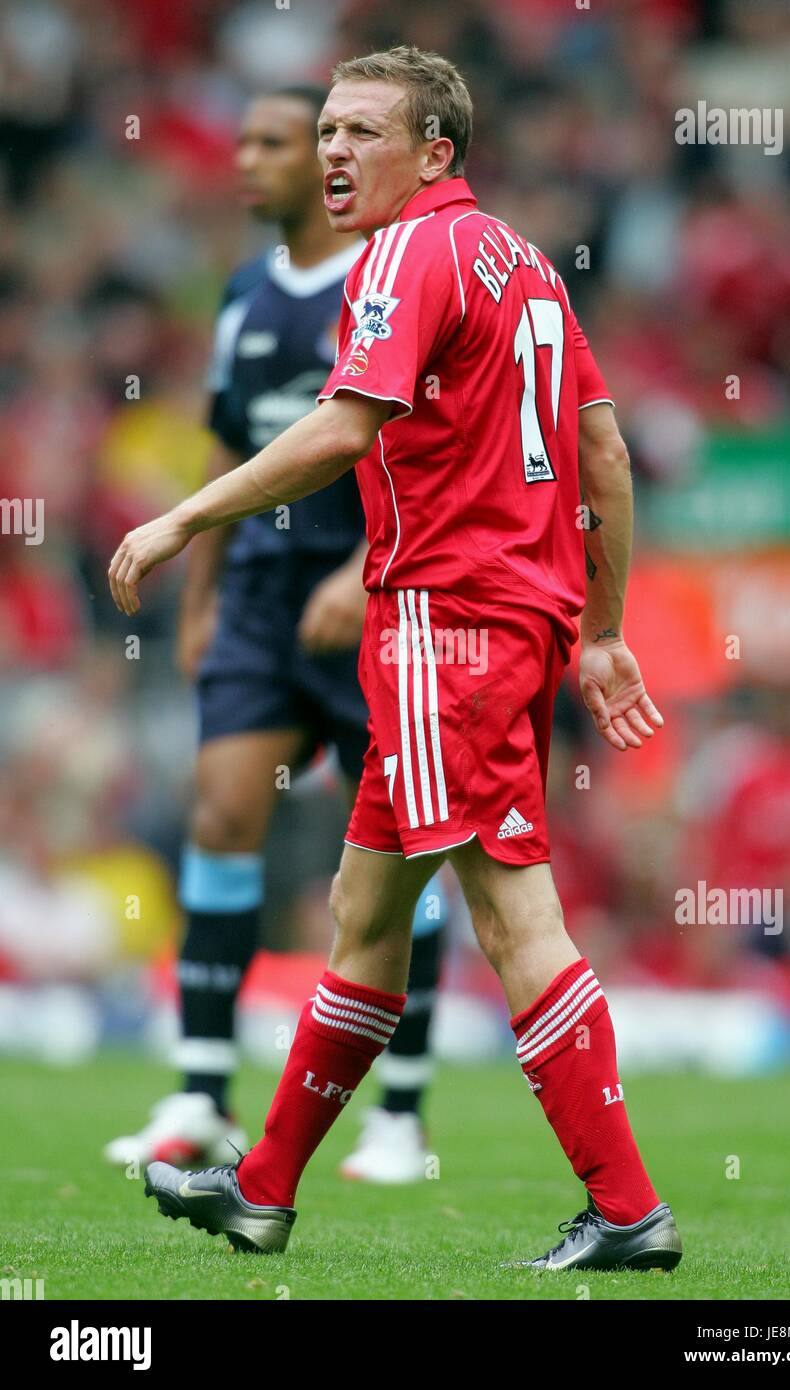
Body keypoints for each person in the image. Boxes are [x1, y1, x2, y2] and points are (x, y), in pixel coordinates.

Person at [108, 45, 682, 1273]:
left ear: (434, 152)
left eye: (361, 132)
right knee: (363, 912)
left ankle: (627, 1209)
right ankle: (261, 1188)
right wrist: (596, 630)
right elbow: (606, 459)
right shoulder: (525, 263)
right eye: (323, 128)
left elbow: (344, 422)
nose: (330, 151)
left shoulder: (407, 254)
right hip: (507, 625)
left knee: (510, 912)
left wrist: (183, 514)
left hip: (442, 623)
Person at [104, 84, 448, 1185]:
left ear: (327, 163)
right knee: (222, 809)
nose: (248, 160)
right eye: (242, 138)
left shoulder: (387, 277)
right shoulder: (245, 291)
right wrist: (201, 597)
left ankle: (401, 1112)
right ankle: (201, 1093)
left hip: (375, 592)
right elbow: (222, 453)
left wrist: (360, 563)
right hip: (257, 590)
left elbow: (424, 446)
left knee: (397, 859)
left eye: (276, 142)